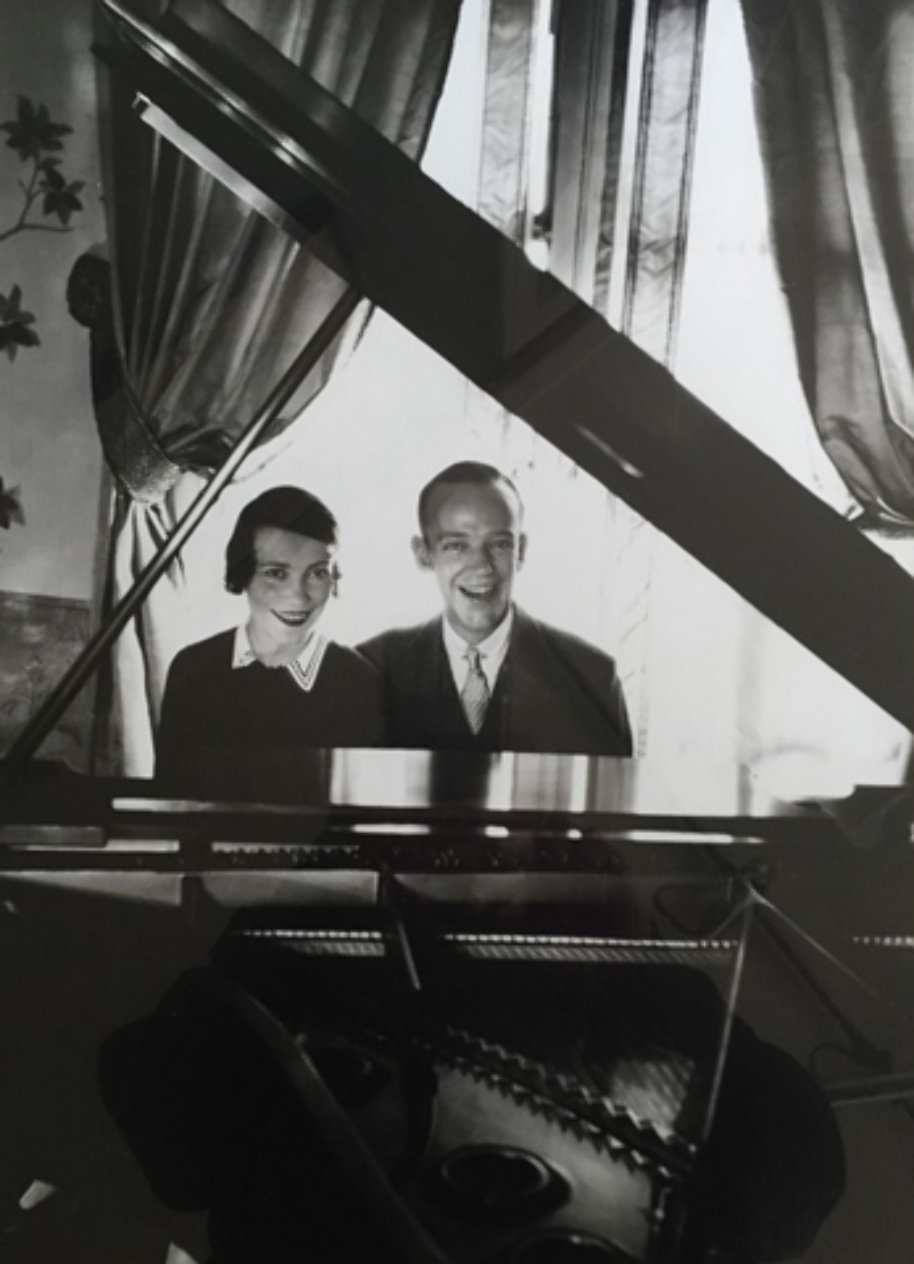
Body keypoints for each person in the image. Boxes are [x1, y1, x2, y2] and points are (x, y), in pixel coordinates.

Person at [358, 462, 632, 754]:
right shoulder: (368, 671)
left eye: (500, 544)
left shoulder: (593, 678)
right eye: (456, 546)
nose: (482, 566)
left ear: (521, 550)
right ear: (423, 554)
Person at [155, 486, 382, 800]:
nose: (298, 595)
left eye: (317, 573)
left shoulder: (360, 681)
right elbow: (172, 798)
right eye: (276, 573)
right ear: (242, 574)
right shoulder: (192, 670)